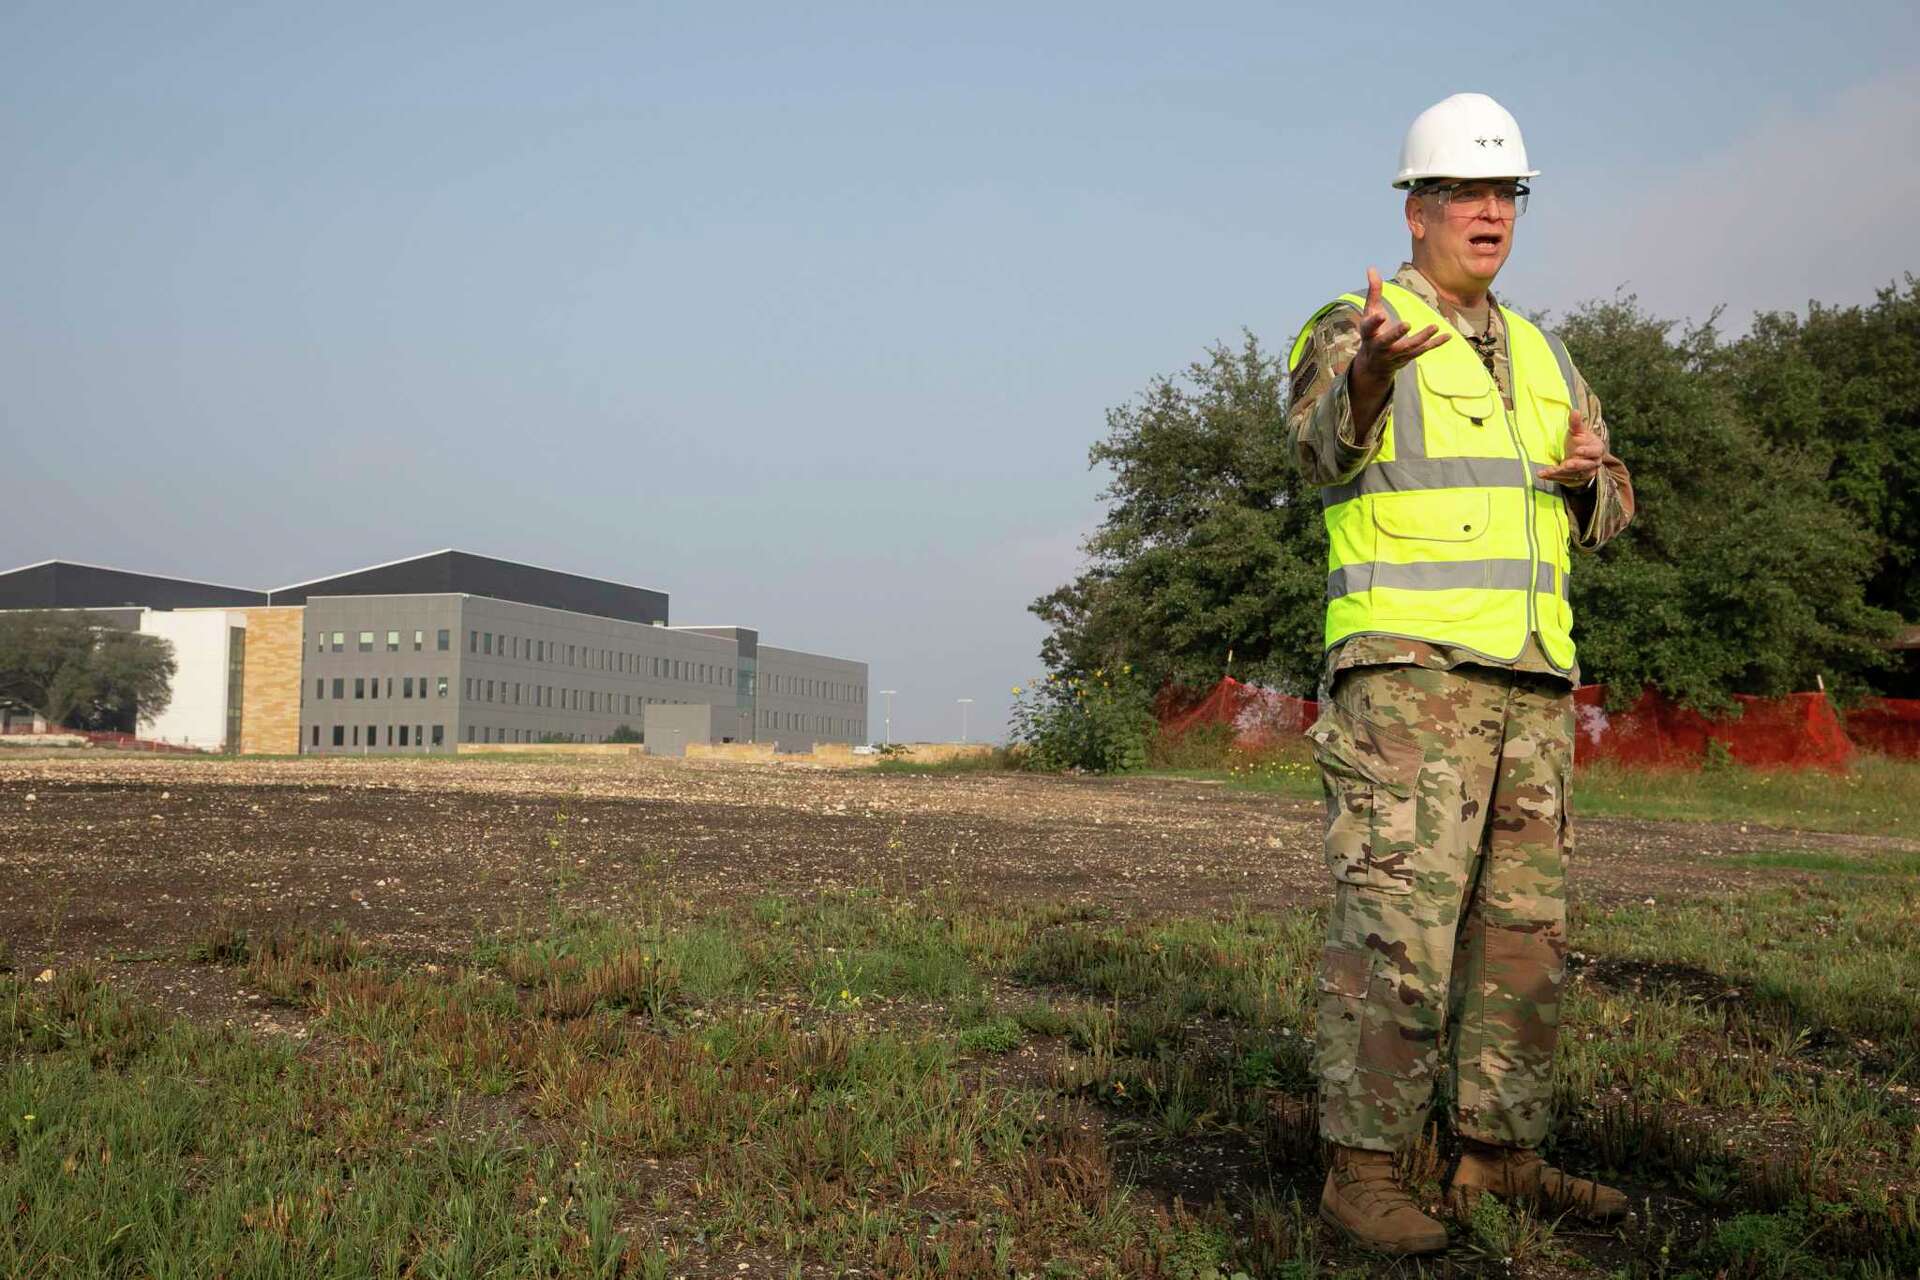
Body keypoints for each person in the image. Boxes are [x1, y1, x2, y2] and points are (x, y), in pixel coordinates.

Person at [1285, 92, 1637, 1255]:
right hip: (1411, 681)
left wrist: (1594, 472)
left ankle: (1498, 1154)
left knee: (1524, 930)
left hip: (1533, 684)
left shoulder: (1544, 352)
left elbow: (1611, 508)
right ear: (1417, 209)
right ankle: (1363, 1171)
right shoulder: (1356, 325)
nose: (1490, 212)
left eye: (1506, 194)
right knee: (1397, 928)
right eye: (1465, 193)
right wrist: (1372, 377)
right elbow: (1320, 448)